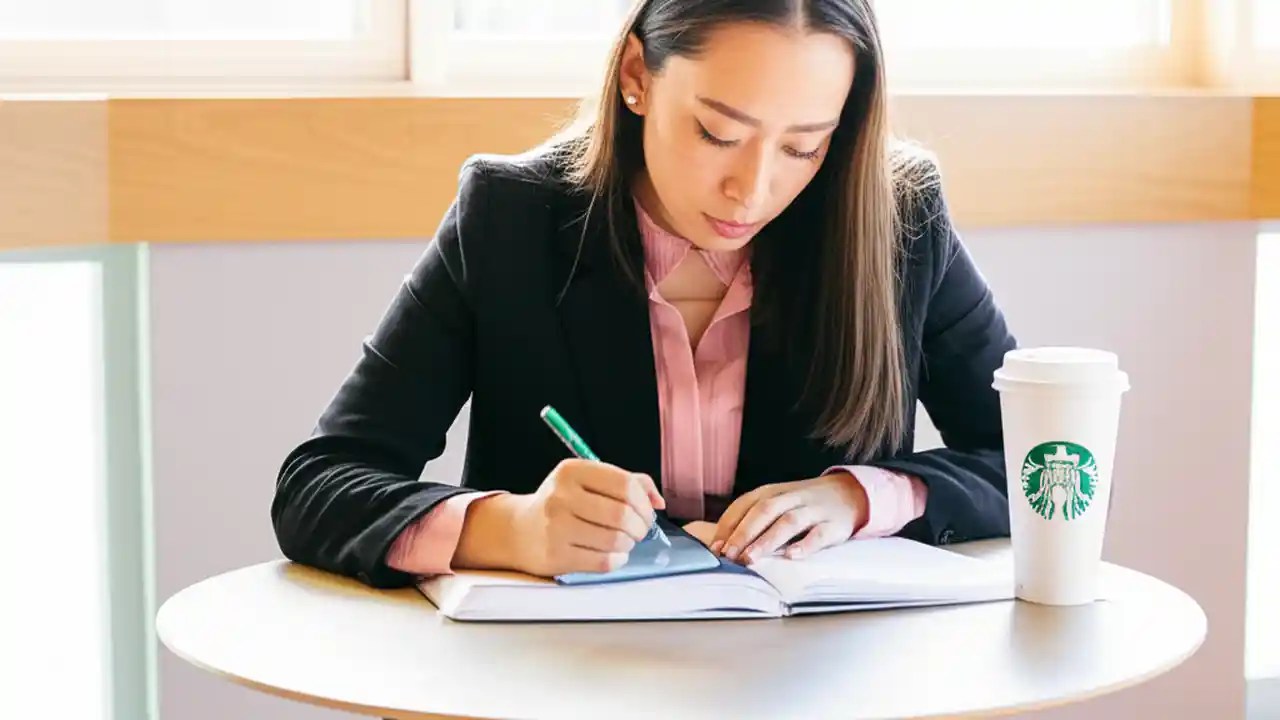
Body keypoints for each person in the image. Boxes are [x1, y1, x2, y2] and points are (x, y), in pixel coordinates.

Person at [271, 0, 1017, 588]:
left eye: (803, 147)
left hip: (815, 690)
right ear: (637, 75)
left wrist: (862, 499)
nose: (751, 189)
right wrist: (515, 528)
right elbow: (318, 485)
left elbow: (1042, 459)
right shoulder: (511, 220)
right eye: (718, 133)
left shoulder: (897, 218)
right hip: (558, 695)